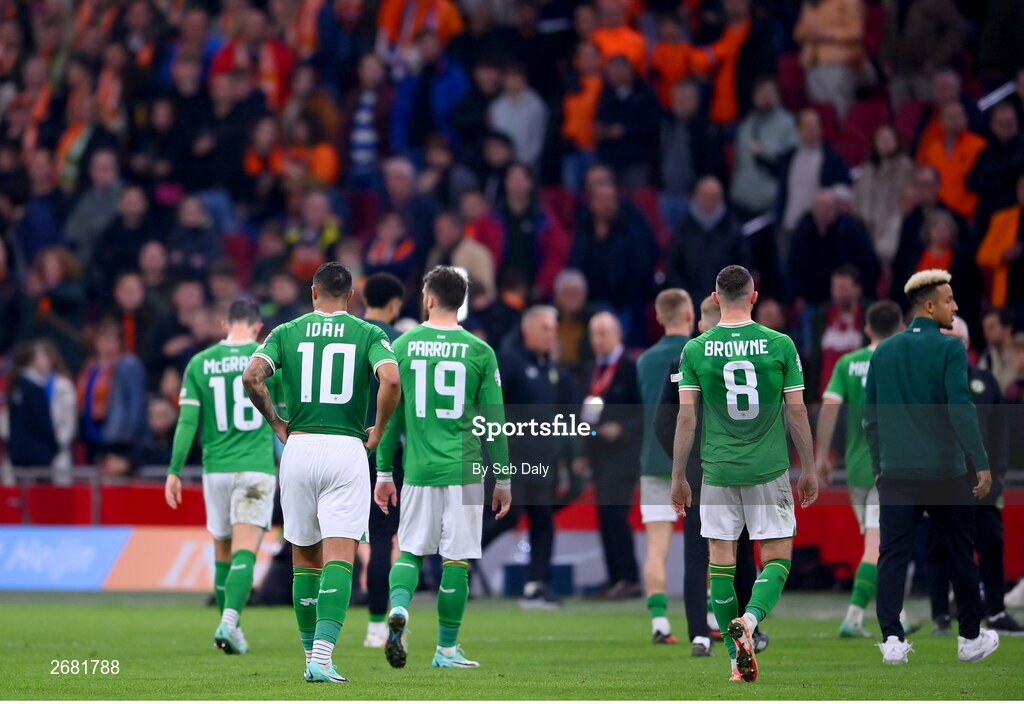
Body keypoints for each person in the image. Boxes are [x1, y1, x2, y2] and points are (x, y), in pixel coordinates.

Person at [243, 262, 401, 683]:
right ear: (351, 297)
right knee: (340, 555)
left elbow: (251, 377)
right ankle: (324, 657)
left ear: (313, 293)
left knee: (304, 559)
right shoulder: (369, 333)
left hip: (298, 449)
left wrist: (276, 422)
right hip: (346, 448)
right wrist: (379, 431)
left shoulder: (284, 332)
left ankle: (309, 655)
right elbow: (390, 380)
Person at [670, 264, 818, 683]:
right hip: (768, 469)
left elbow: (686, 419)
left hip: (716, 472)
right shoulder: (780, 344)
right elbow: (796, 411)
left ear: (715, 300)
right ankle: (750, 621)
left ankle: (736, 659)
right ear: (754, 297)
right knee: (776, 558)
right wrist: (808, 468)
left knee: (721, 564)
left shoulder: (696, 349)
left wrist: (679, 476)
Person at [374, 266, 512, 669]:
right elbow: (494, 422)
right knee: (456, 560)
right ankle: (446, 650)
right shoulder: (480, 351)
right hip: (466, 471)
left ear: (428, 298)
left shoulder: (402, 345)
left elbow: (390, 417)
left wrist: (384, 473)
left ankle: (399, 610)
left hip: (418, 469)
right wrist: (502, 478)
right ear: (462, 301)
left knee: (411, 552)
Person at [865, 269, 999, 665]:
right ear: (929, 306)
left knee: (892, 556)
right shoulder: (951, 349)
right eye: (949, 300)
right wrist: (981, 462)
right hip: (945, 473)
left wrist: (879, 466)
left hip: (896, 475)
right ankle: (970, 640)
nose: (955, 307)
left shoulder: (883, 351)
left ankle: (892, 641)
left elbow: (869, 418)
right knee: (960, 553)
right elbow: (961, 409)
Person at [164, 300, 278, 655]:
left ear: (224, 323)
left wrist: (175, 469)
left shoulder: (200, 363)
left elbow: (187, 422)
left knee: (222, 552)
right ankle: (229, 623)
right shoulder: (266, 358)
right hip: (255, 466)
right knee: (246, 551)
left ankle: (234, 628)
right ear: (258, 327)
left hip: (216, 470)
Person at [928, 316, 1024, 636]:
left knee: (991, 542)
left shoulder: (984, 381)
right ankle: (941, 614)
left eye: (955, 339)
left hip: (981, 480)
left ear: (967, 345)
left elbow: (1000, 430)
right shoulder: (927, 383)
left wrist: (998, 474)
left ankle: (995, 611)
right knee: (939, 545)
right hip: (940, 478)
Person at [815, 300, 903, 638]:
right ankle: (853, 617)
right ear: (899, 329)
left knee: (878, 543)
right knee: (878, 546)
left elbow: (829, 407)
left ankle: (901, 614)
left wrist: (822, 454)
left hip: (856, 468)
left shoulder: (848, 363)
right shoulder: (899, 359)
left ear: (866, 329)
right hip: (891, 467)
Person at [485, 305, 577, 609]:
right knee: (509, 514)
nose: (552, 335)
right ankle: (460, 556)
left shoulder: (548, 366)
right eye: (546, 329)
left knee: (544, 521)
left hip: (543, 458)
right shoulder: (509, 361)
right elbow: (492, 407)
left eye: (553, 329)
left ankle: (536, 586)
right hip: (514, 458)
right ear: (529, 329)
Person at [638, 289, 693, 644]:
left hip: (653, 460)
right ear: (689, 315)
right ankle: (708, 618)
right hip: (693, 462)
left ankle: (660, 623)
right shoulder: (698, 353)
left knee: (657, 547)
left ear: (659, 317)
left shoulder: (643, 361)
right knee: (709, 543)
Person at [360, 272, 406, 649]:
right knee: (382, 540)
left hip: (343, 448)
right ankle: (377, 626)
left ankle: (317, 635)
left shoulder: (351, 333)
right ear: (395, 304)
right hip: (385, 453)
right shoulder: (396, 342)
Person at [583, 311, 643, 598]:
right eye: (594, 334)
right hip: (599, 454)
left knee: (617, 515)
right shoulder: (591, 369)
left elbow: (644, 412)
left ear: (618, 334)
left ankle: (629, 577)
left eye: (603, 333)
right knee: (604, 515)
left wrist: (622, 428)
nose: (598, 340)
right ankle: (615, 577)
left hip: (623, 456)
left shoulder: (630, 368)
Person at [978, 307, 1016, 393]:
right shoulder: (987, 356)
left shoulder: (1020, 352)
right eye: (985, 329)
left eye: (991, 327)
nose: (986, 333)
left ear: (1007, 329)